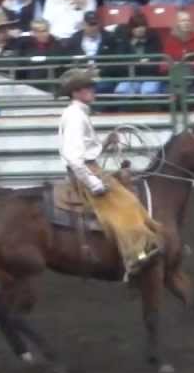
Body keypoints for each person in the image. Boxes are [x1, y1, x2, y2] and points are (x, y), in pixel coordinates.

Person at [56, 68, 163, 282]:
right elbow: (74, 158)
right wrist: (93, 182)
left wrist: (105, 143)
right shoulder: (76, 117)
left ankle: (146, 247)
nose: (92, 90)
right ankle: (134, 259)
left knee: (129, 198)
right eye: (87, 87)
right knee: (127, 206)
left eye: (91, 86)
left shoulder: (78, 113)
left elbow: (84, 151)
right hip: (87, 172)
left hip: (90, 167)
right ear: (76, 92)